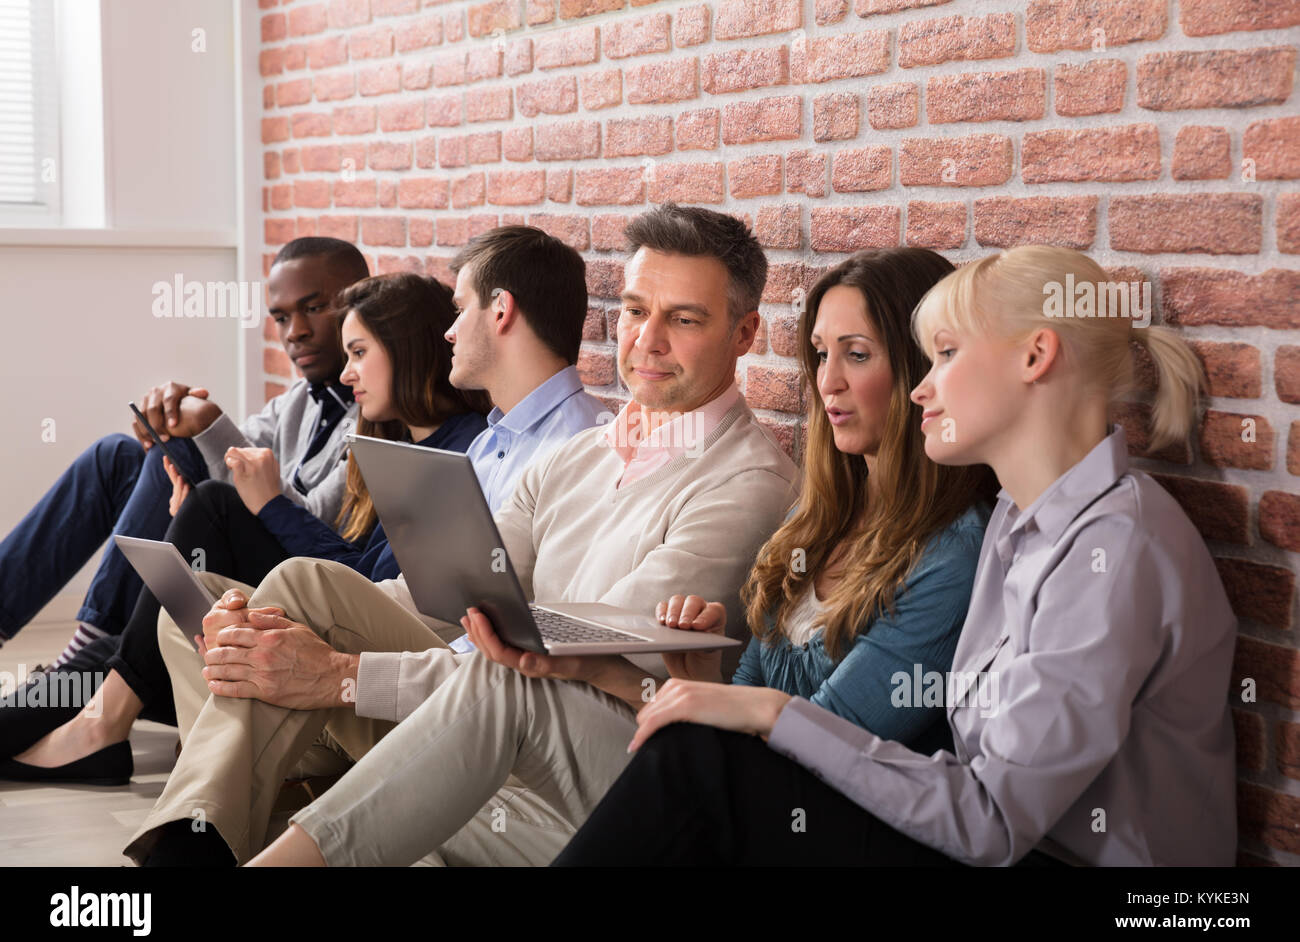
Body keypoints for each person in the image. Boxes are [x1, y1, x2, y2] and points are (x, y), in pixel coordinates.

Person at [246, 245, 1001, 868]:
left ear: (917, 372)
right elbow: (717, 703)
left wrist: (346, 679)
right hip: (678, 761)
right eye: (819, 355)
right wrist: (609, 669)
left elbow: (814, 745)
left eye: (858, 355)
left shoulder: (939, 549)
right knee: (427, 795)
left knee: (477, 727)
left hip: (777, 825)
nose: (827, 382)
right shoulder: (820, 520)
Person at [126, 204, 801, 867]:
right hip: (488, 710)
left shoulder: (747, 485)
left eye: (683, 320)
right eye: (633, 310)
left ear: (744, 334)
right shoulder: (582, 454)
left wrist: (341, 676)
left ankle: (249, 817)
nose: (647, 340)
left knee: (480, 674)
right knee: (273, 600)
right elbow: (455, 596)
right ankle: (198, 842)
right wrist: (308, 644)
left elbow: (583, 663)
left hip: (606, 767)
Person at [551, 245, 1239, 868]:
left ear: (1035, 358)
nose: (921, 388)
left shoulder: (1115, 547)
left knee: (694, 766)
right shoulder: (1016, 522)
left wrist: (770, 713)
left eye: (944, 354)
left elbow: (992, 820)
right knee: (695, 764)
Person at [0, 272, 489, 783]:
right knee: (110, 645)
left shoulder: (451, 455)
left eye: (359, 353)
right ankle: (95, 715)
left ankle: (100, 726)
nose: (347, 373)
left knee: (210, 510)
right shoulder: (364, 429)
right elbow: (349, 559)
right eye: (280, 318)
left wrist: (266, 501)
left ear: (405, 349)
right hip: (302, 603)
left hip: (333, 643)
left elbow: (355, 583)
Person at [0, 237, 366, 667]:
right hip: (240, 548)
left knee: (181, 449)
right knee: (116, 456)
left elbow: (315, 526)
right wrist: (178, 420)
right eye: (281, 317)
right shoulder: (301, 399)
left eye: (314, 308)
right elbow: (225, 450)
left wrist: (207, 423)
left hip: (291, 581)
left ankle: (82, 665)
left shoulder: (377, 413)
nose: (295, 332)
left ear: (360, 303)